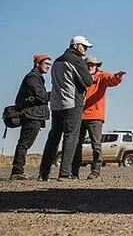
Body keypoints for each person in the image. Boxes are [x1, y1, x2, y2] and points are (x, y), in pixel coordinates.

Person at [39, 37, 94, 180]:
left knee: (54, 137)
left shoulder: (57, 61)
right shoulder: (76, 60)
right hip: (72, 103)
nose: (85, 49)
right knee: (71, 137)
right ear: (75, 45)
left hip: (56, 104)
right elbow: (88, 81)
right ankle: (65, 173)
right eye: (84, 46)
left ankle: (43, 173)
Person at [72, 55, 125, 179]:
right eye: (89, 64)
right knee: (76, 144)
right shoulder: (79, 76)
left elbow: (111, 80)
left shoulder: (101, 76)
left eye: (93, 65)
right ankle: (74, 172)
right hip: (79, 115)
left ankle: (95, 171)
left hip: (95, 116)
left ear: (96, 66)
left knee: (96, 144)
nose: (91, 66)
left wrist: (117, 77)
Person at [9, 55, 51, 180]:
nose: (48, 66)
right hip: (32, 115)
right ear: (38, 64)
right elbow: (42, 97)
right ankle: (17, 171)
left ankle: (17, 170)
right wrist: (57, 94)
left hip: (35, 114)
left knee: (24, 143)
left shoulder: (38, 78)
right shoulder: (32, 78)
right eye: (46, 63)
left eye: (50, 64)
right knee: (24, 143)